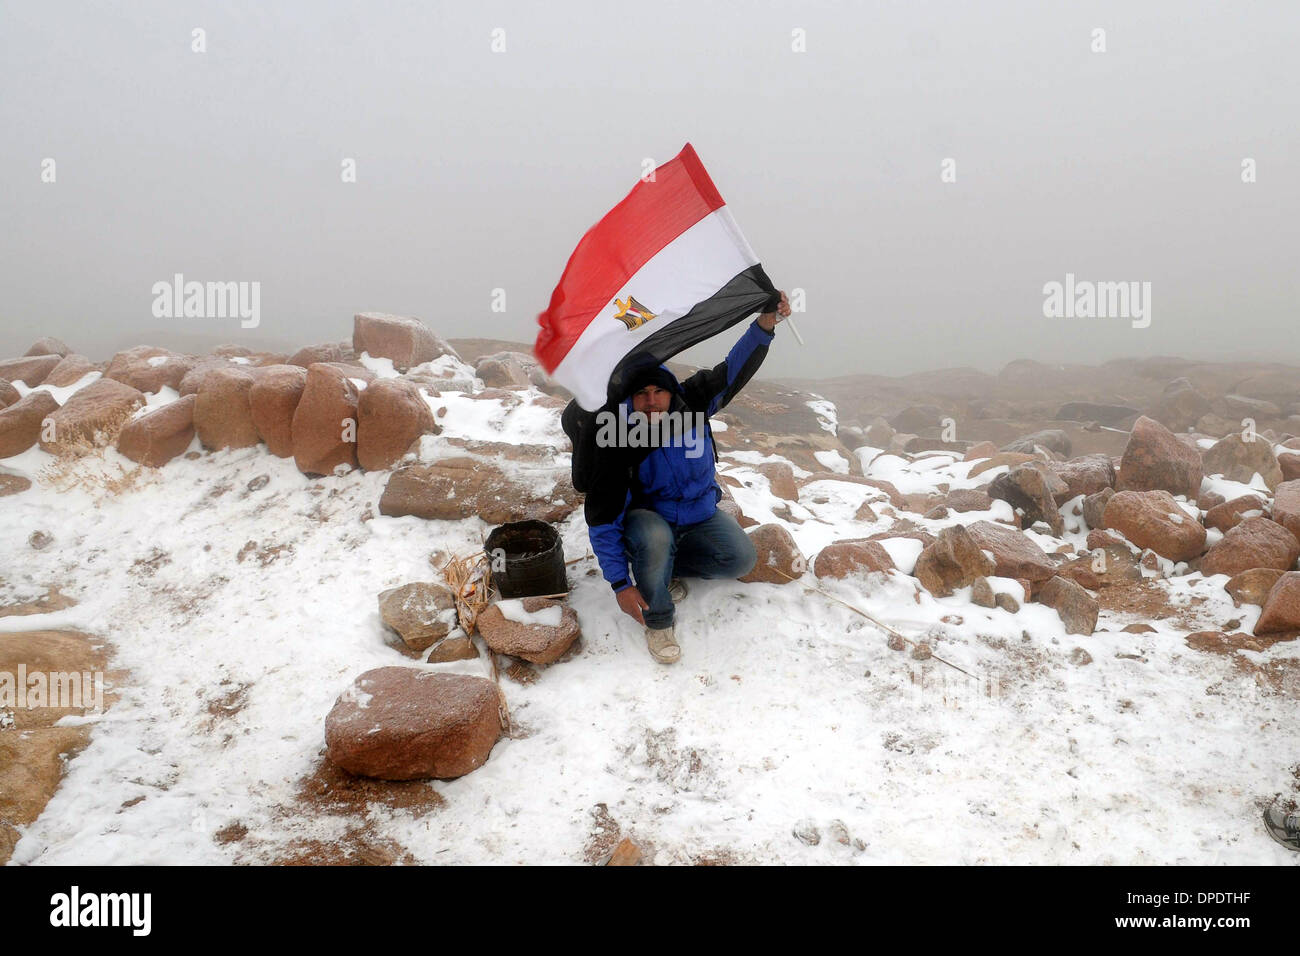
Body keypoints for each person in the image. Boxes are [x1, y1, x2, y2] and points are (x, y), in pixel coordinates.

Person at [584, 291, 793, 663]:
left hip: (699, 513)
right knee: (654, 537)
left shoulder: (693, 403)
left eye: (658, 391)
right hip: (650, 518)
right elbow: (602, 518)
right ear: (629, 400)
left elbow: (733, 370)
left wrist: (764, 324)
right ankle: (659, 619)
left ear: (671, 392)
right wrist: (619, 584)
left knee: (739, 559)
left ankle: (664, 566)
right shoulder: (616, 439)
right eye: (641, 394)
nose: (651, 401)